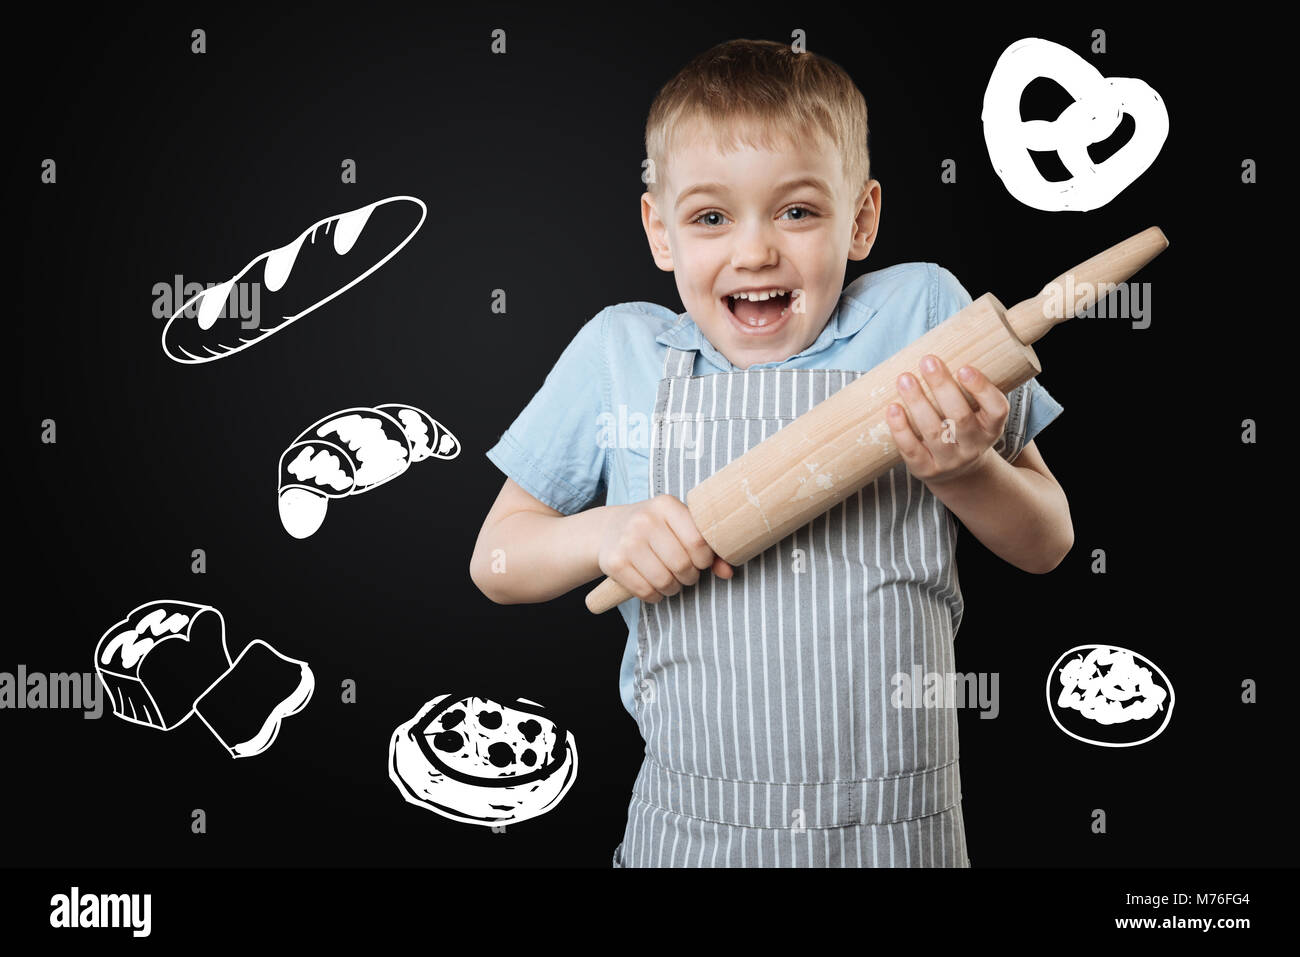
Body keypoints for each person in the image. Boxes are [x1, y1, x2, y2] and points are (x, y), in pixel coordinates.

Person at [470, 38, 1073, 867]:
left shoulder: (924, 318)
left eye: (797, 211)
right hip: (691, 831)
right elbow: (496, 560)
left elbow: (1050, 542)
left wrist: (965, 469)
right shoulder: (621, 353)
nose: (754, 252)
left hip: (903, 831)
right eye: (711, 217)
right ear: (661, 231)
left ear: (861, 218)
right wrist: (604, 535)